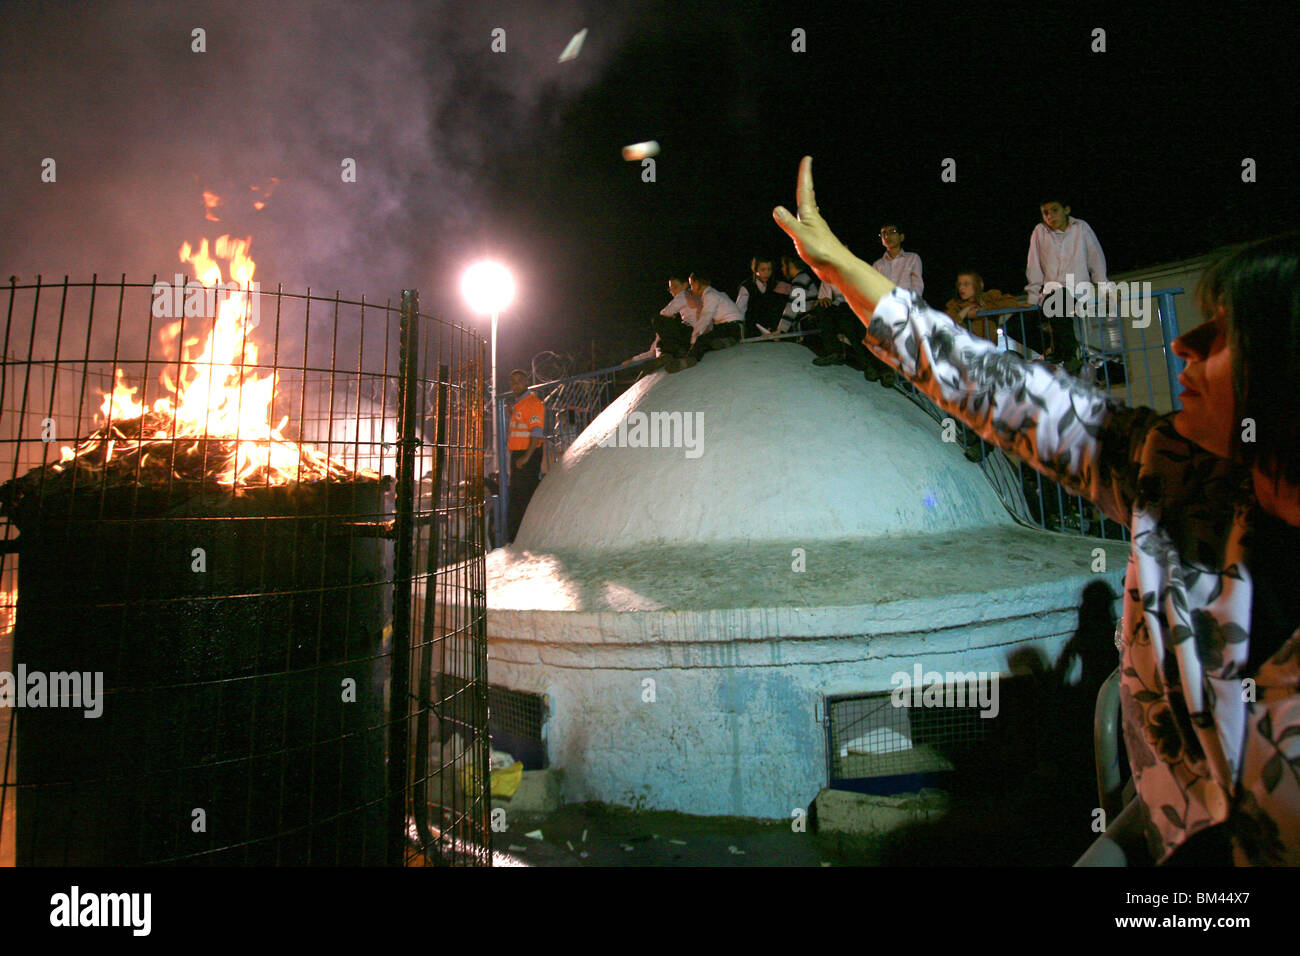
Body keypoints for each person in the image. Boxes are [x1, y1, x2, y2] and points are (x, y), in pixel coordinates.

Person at [775, 155, 1300, 866]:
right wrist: (840, 269)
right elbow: (995, 385)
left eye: (1219, 333)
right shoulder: (1177, 475)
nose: (1181, 343)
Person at [1025, 197, 1108, 371]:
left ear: (1066, 210)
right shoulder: (1040, 231)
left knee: (1060, 299)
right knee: (1016, 324)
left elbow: (1095, 259)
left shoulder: (1081, 228)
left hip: (1077, 289)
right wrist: (1033, 295)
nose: (1050, 216)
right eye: (1045, 213)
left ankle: (1068, 354)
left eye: (1054, 210)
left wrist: (1103, 286)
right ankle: (1058, 349)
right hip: (1050, 293)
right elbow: (1034, 265)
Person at [505, 368, 545, 543]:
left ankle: (526, 538)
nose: (515, 385)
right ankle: (516, 539)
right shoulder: (519, 405)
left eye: (519, 380)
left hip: (527, 455)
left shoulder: (533, 403)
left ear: (526, 381)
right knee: (516, 497)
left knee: (524, 497)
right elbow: (523, 423)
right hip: (518, 455)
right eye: (513, 381)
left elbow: (536, 433)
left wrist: (526, 457)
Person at [944, 271, 1020, 343]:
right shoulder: (954, 304)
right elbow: (947, 325)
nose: (961, 288)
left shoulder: (990, 297)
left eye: (966, 284)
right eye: (959, 284)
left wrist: (983, 310)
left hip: (989, 349)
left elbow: (1011, 302)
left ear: (979, 285)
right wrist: (965, 311)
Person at [650, 276, 702, 372]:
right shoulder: (696, 294)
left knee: (657, 320)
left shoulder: (683, 295)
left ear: (685, 285)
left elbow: (664, 313)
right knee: (662, 342)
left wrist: (671, 315)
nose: (672, 291)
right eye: (670, 289)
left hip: (692, 332)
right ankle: (667, 355)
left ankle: (677, 352)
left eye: (675, 287)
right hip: (701, 333)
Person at [688, 272, 744, 357]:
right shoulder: (717, 293)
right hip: (736, 328)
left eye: (691, 285)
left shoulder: (710, 295)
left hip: (731, 327)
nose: (691, 289)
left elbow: (704, 319)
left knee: (702, 339)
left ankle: (690, 358)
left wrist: (693, 340)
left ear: (697, 283)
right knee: (710, 337)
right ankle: (726, 341)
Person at [735, 256, 788, 338]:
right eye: (763, 270)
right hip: (753, 334)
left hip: (770, 333)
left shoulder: (774, 285)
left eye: (769, 269)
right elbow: (740, 312)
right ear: (755, 270)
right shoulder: (747, 287)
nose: (767, 273)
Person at [872, 223, 924, 296]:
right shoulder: (877, 265)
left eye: (892, 231)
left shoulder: (912, 258)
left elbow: (917, 286)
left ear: (901, 237)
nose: (887, 236)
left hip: (906, 304)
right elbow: (873, 289)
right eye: (884, 233)